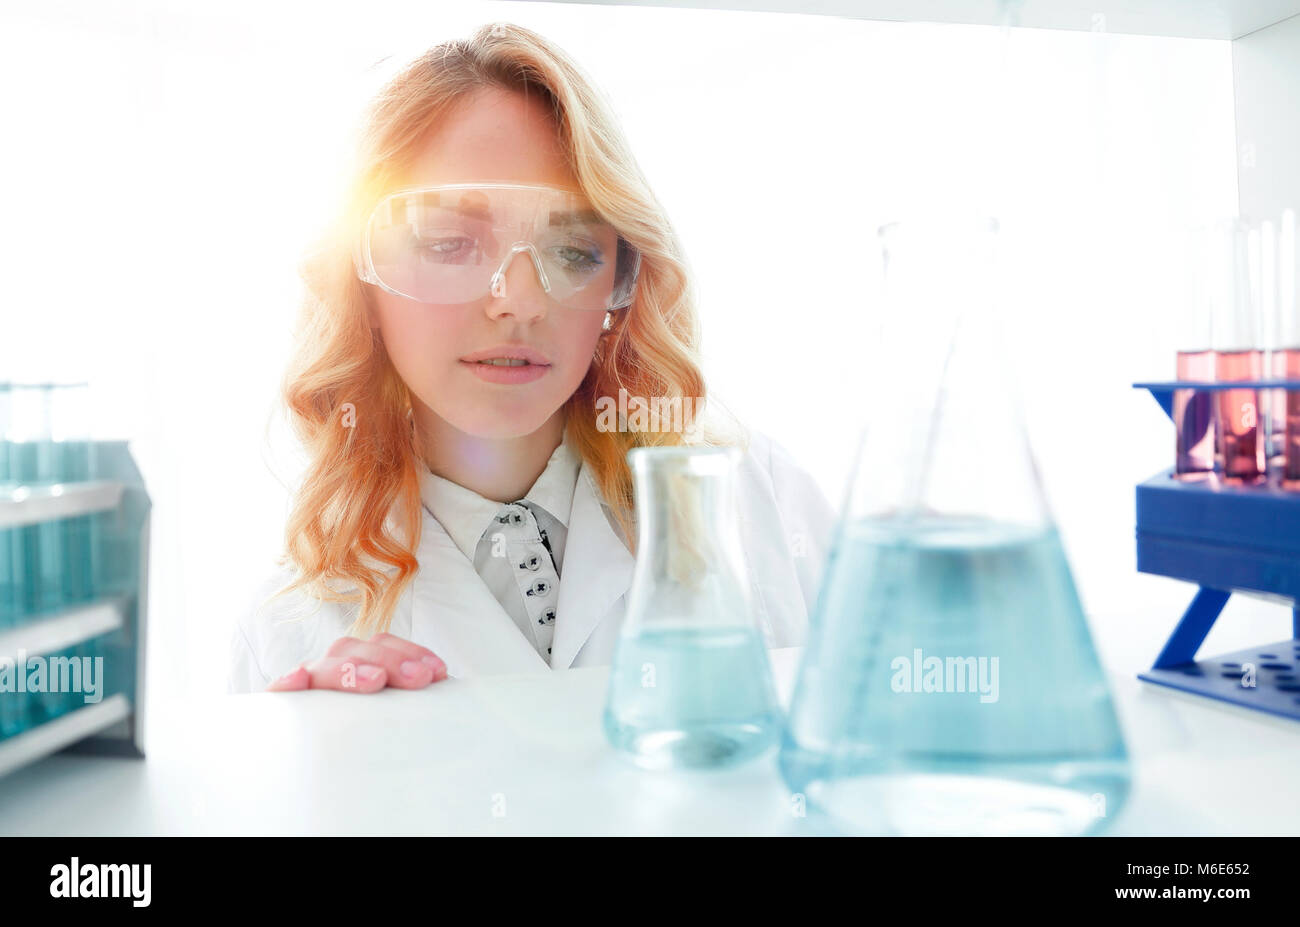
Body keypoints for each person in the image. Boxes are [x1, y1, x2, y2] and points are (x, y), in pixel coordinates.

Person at [227, 22, 836, 695]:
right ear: (361, 283)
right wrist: (324, 779)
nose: (516, 301)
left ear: (618, 284)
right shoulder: (289, 634)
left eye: (571, 251)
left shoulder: (766, 509)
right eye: (449, 243)